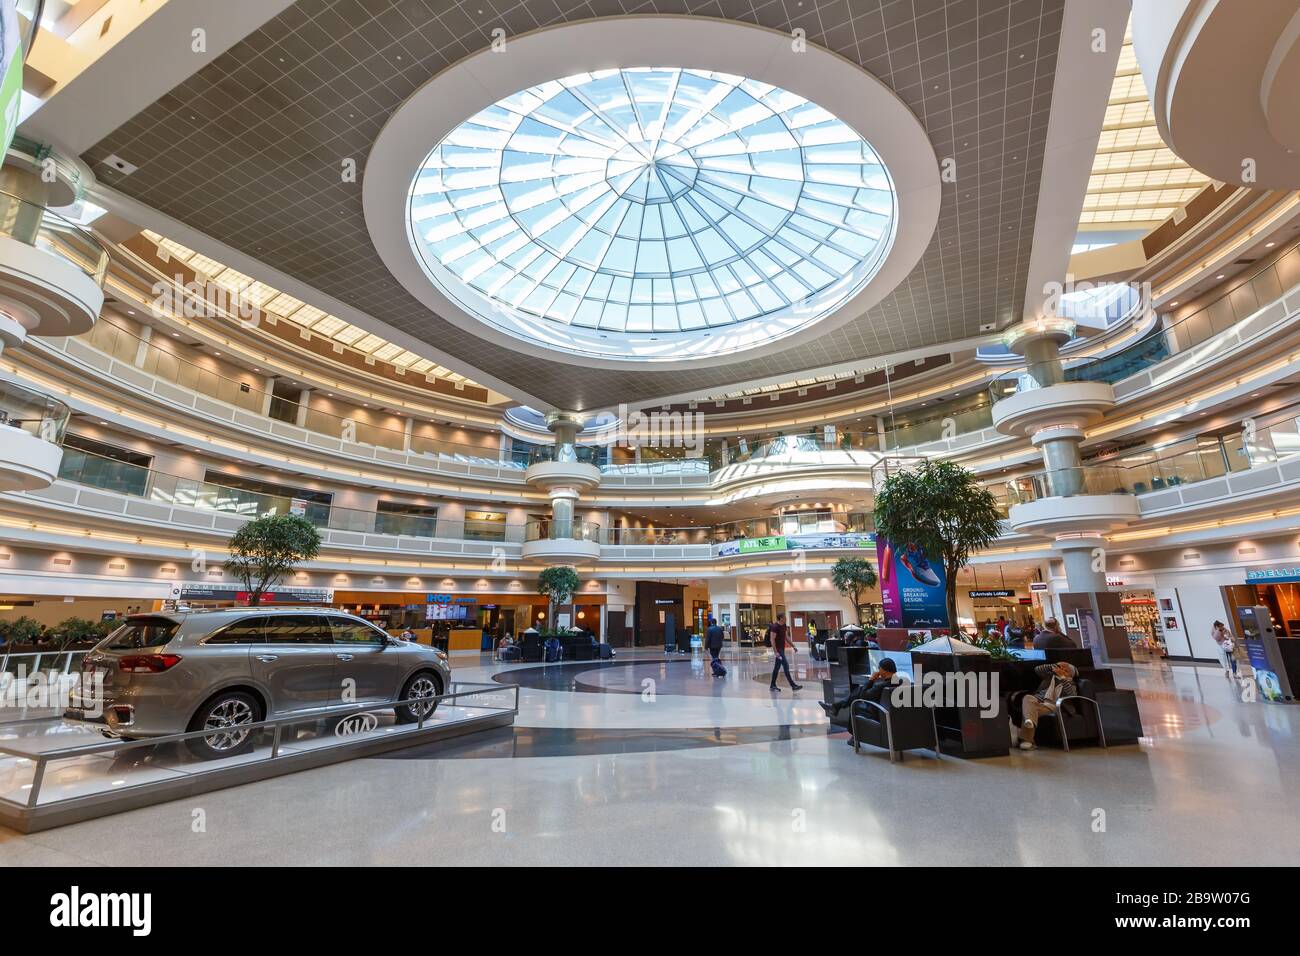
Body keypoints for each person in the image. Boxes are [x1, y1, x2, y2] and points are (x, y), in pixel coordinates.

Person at [820, 658, 902, 733]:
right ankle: (836, 706)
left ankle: (854, 737)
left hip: (880, 712)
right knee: (860, 689)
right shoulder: (901, 682)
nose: (878, 670)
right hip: (896, 713)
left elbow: (864, 696)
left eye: (879, 668)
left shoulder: (881, 686)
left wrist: (871, 680)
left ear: (884, 670)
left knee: (855, 705)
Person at [1018, 661, 1078, 750]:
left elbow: (1072, 695)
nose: (1061, 669)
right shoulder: (1049, 676)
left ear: (1070, 674)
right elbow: (1037, 669)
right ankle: (1029, 721)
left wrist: (1062, 677)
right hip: (1038, 701)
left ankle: (1027, 739)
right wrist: (1054, 666)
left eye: (1065, 669)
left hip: (1054, 705)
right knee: (1027, 698)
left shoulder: (1070, 684)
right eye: (1060, 667)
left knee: (1029, 710)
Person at [767, 613, 802, 692]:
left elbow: (786, 637)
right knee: (786, 665)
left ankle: (772, 685)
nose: (786, 618)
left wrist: (793, 646)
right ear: (781, 618)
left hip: (782, 649)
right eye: (784, 617)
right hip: (778, 650)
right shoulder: (775, 627)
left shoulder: (784, 625)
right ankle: (793, 685)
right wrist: (775, 652)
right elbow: (772, 639)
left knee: (777, 668)